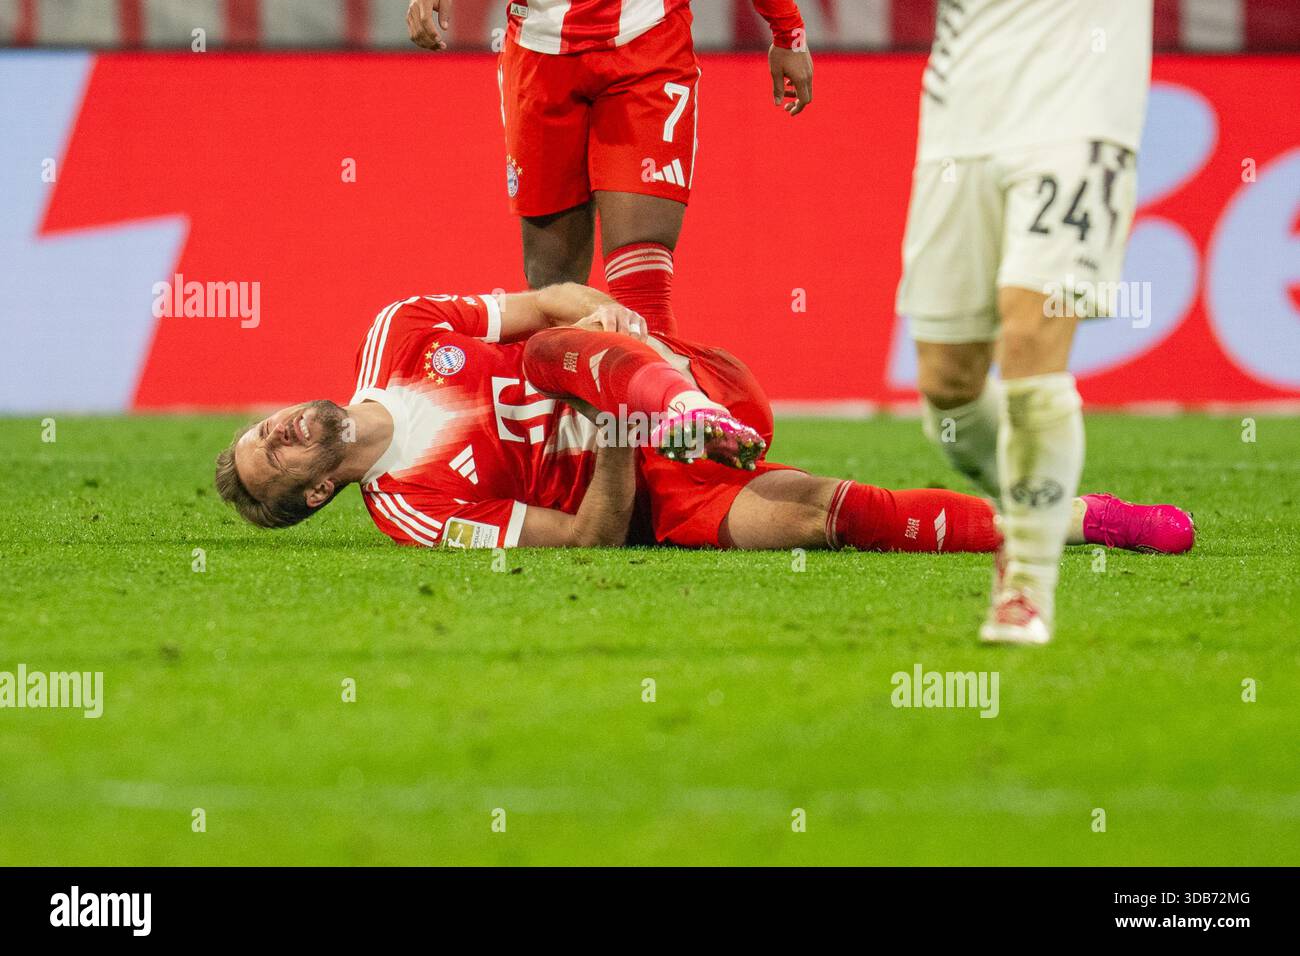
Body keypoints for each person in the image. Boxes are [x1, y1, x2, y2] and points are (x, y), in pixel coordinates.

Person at [214, 284, 1192, 562]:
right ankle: (1081, 519)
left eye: (265, 425)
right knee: (820, 517)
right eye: (276, 454)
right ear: (316, 489)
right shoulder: (414, 514)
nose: (282, 426)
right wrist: (617, 444)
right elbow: (589, 537)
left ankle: (676, 403)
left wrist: (613, 324)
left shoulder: (401, 328)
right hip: (654, 480)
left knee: (554, 355)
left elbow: (554, 297)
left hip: (670, 377)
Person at [895, 0, 1158, 643]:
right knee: (948, 385)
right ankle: (1041, 508)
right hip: (962, 119)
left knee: (1029, 334)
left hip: (1078, 110)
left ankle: (1026, 587)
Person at [406, 0, 814, 336]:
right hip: (537, 52)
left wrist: (787, 30)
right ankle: (567, 432)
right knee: (552, 286)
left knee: (642, 278)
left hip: (647, 44)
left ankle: (652, 428)